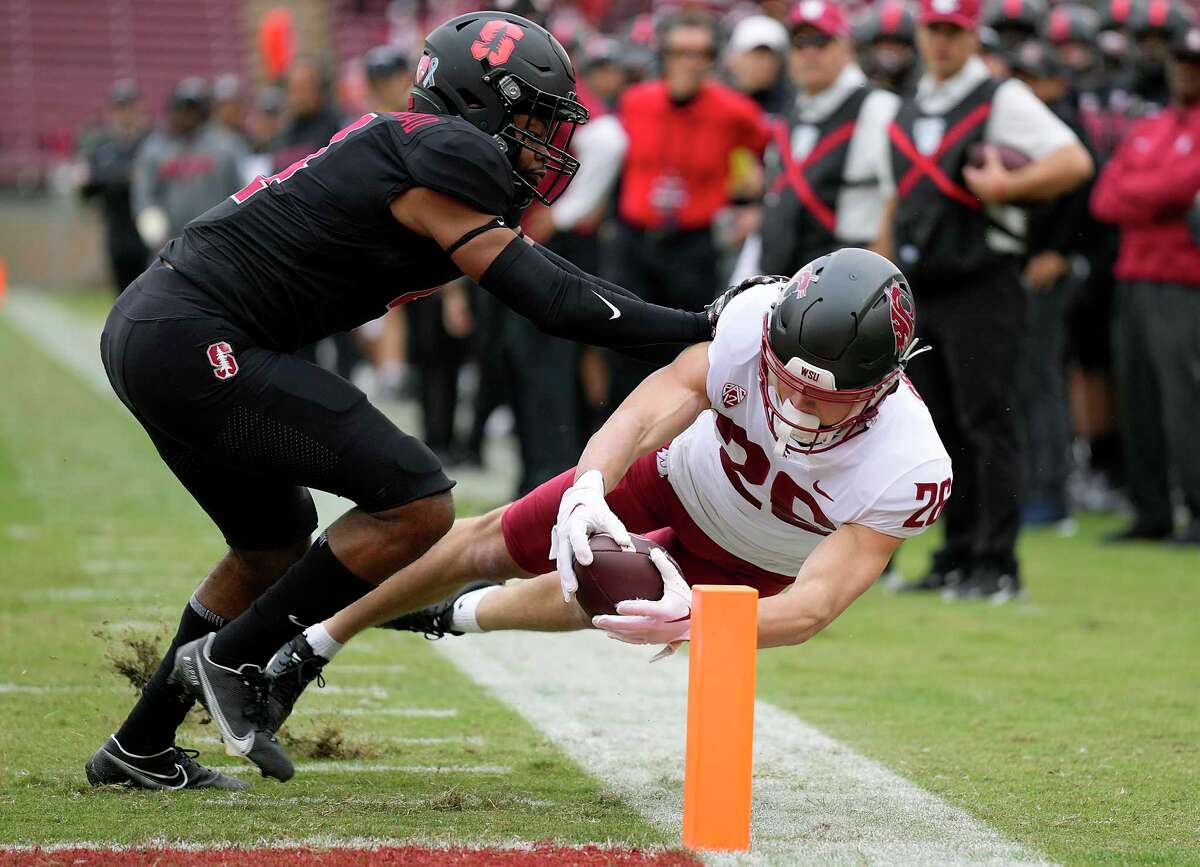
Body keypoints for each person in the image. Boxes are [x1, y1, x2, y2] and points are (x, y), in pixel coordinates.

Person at [86, 11, 747, 792]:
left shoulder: (418, 147)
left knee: (272, 544)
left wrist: (699, 322)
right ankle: (233, 659)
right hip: (195, 336)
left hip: (161, 330)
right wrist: (708, 324)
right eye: (533, 116)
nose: (545, 139)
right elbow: (553, 299)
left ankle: (139, 746)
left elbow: (562, 284)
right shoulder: (445, 155)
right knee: (416, 500)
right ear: (478, 104)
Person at [236, 250, 952, 780]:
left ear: (887, 381)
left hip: (754, 564)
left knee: (602, 595)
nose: (795, 405)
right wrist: (590, 486)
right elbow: (648, 409)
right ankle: (315, 642)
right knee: (497, 537)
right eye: (785, 378)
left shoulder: (909, 463)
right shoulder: (748, 326)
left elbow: (816, 604)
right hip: (676, 476)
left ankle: (456, 615)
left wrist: (701, 620)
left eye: (822, 396)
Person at [877, 0, 1093, 602]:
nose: (942, 43)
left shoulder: (1002, 97)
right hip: (928, 285)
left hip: (984, 280)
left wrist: (1009, 187)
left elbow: (1074, 160)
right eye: (934, 31)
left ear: (972, 36)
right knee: (939, 429)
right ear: (920, 33)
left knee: (988, 422)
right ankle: (956, 553)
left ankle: (997, 561)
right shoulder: (913, 103)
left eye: (954, 32)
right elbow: (901, 197)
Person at [604, 10, 772, 409]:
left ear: (713, 59)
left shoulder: (735, 111)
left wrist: (756, 207)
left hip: (692, 247)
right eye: (679, 52)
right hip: (634, 240)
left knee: (685, 349)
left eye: (699, 53)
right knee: (621, 344)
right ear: (663, 55)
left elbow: (775, 158)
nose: (688, 63)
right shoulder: (635, 102)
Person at [1089, 24, 1200, 546]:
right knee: (1137, 397)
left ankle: (1196, 513)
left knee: (1184, 400)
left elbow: (1182, 180)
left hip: (1184, 281)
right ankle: (1151, 510)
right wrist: (1161, 195)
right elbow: (1105, 198)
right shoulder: (1151, 124)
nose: (1186, 71)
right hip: (1134, 276)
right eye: (1182, 62)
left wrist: (1149, 189)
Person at [755, 1, 899, 277]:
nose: (809, 53)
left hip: (846, 277)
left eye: (821, 41)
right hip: (786, 275)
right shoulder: (792, 111)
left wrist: (874, 279)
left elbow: (896, 197)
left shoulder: (876, 107)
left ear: (846, 48)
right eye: (800, 42)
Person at [130, 77, 245, 253]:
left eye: (193, 109)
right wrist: (154, 228)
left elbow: (239, 192)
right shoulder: (155, 148)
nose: (188, 115)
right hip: (169, 245)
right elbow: (144, 197)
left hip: (217, 241)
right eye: (183, 108)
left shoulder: (225, 145)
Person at [79, 80, 150, 294]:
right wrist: (124, 176)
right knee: (122, 295)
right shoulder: (102, 146)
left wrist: (112, 177)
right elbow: (87, 187)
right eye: (120, 108)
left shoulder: (151, 143)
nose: (125, 114)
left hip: (148, 231)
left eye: (129, 107)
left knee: (150, 292)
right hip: (117, 231)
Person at [854, 1, 919, 96]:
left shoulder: (922, 96)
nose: (889, 52)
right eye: (883, 44)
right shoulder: (858, 97)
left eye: (897, 44)